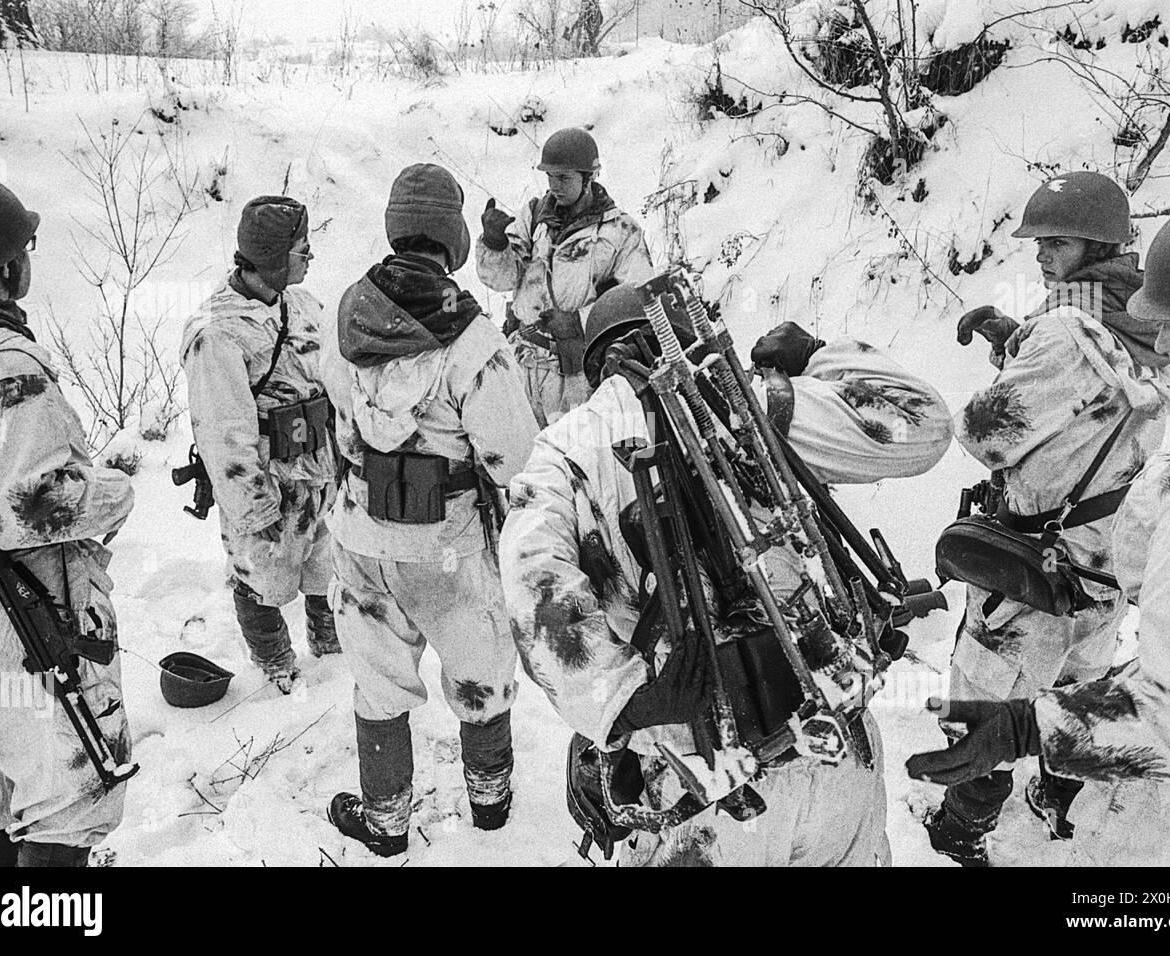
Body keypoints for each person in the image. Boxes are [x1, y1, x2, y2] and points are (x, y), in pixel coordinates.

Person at [499, 283, 954, 866]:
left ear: (595, 363)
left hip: (708, 778)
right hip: (840, 747)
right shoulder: (752, 406)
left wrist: (622, 698)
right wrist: (817, 357)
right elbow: (926, 426)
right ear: (683, 334)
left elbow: (531, 581)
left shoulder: (564, 451)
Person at [908, 187, 1170, 866]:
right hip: (1098, 575)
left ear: (1099, 247)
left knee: (985, 699)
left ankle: (962, 829)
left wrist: (1022, 353)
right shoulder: (1140, 334)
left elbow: (985, 433)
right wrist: (1020, 340)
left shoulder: (1067, 330)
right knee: (1076, 687)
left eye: (1056, 242)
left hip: (1035, 564)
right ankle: (1055, 805)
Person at [321, 164, 539, 858]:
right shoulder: (473, 338)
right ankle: (491, 802)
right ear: (453, 238)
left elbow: (335, 406)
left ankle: (385, 820)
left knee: (379, 681)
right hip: (447, 542)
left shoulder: (345, 315)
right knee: (479, 669)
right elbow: (512, 456)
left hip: (360, 535)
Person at [0, 175, 134, 866]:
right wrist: (113, 494)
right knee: (68, 799)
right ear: (1, 268)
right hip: (16, 608)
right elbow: (25, 506)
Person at [180, 196, 340, 695]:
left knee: (325, 565)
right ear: (272, 259)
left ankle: (330, 650)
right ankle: (275, 667)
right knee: (262, 575)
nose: (309, 255)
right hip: (267, 480)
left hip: (319, 471)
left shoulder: (306, 306)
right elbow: (223, 432)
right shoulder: (217, 333)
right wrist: (251, 507)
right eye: (300, 248)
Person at [476, 127, 652, 428]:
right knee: (520, 458)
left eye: (564, 178)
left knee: (571, 458)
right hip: (522, 361)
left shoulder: (621, 231)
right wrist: (495, 244)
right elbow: (503, 280)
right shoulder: (534, 217)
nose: (554, 187)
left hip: (577, 373)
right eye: (550, 177)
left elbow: (637, 301)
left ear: (589, 177)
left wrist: (579, 321)